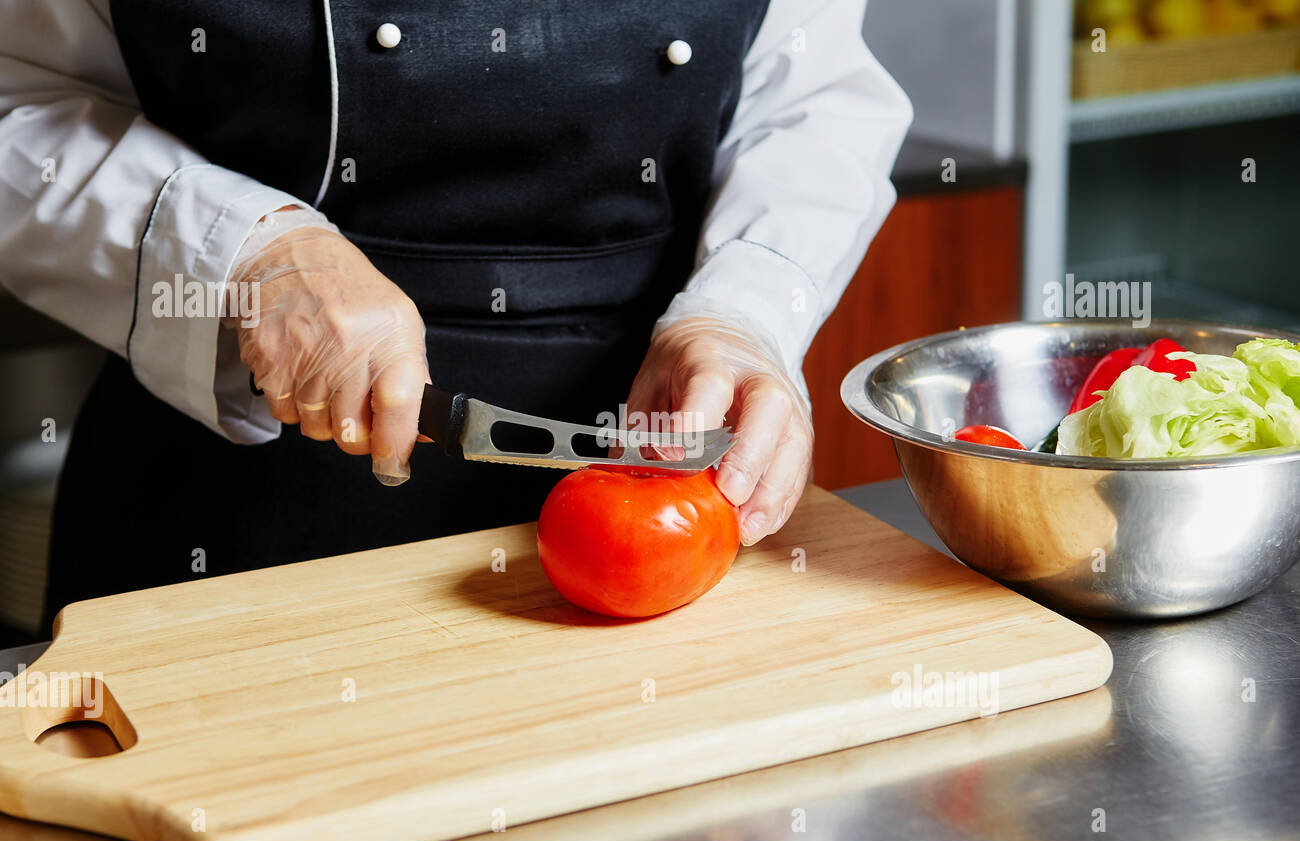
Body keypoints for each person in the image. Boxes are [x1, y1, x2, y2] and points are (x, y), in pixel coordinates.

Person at [0, 1, 911, 637]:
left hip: (663, 515)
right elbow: (15, 98)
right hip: (233, 513)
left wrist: (741, 312)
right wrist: (246, 255)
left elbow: (814, 98)